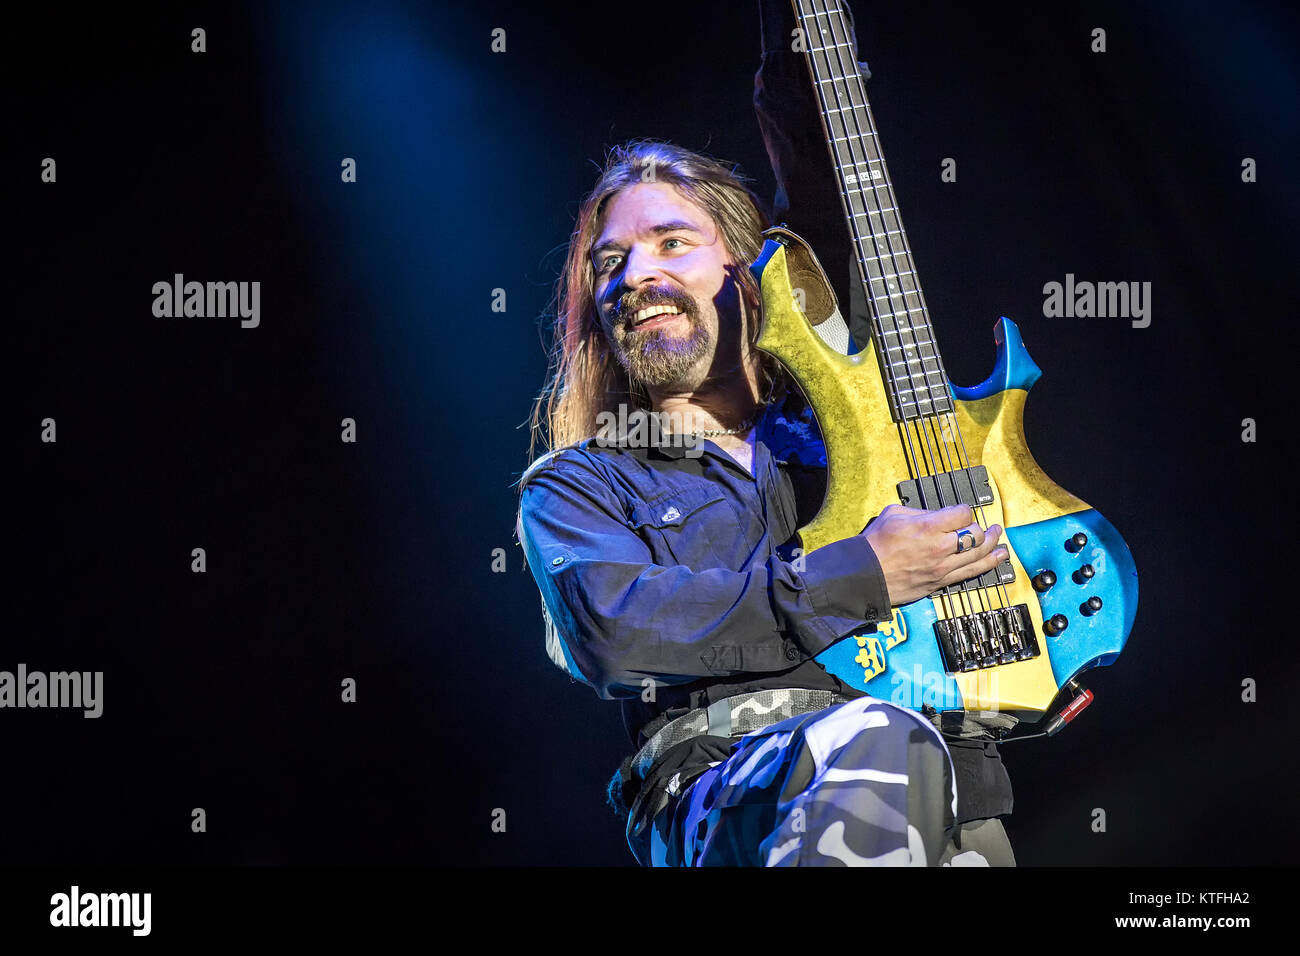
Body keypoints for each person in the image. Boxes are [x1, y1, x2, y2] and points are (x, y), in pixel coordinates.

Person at [514, 8, 1016, 868]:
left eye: (673, 242)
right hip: (723, 783)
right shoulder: (577, 486)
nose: (637, 276)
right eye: (610, 263)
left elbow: (832, 191)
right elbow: (618, 633)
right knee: (871, 735)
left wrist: (803, 28)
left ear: (746, 279)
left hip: (942, 790)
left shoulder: (833, 435)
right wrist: (861, 574)